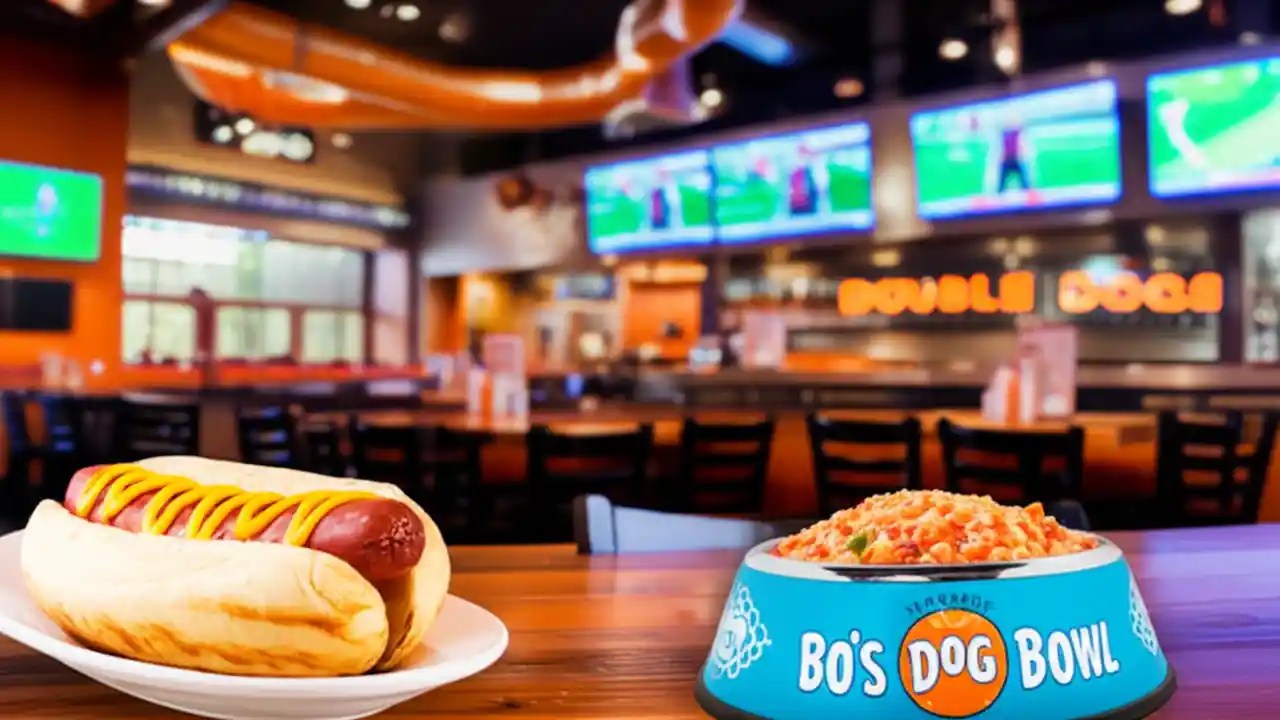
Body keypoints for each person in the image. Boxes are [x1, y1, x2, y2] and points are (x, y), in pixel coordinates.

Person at [188, 287, 216, 387]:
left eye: (193, 299)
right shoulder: (206, 308)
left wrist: (202, 353)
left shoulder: (206, 308)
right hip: (205, 354)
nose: (193, 303)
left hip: (206, 355)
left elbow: (204, 334)